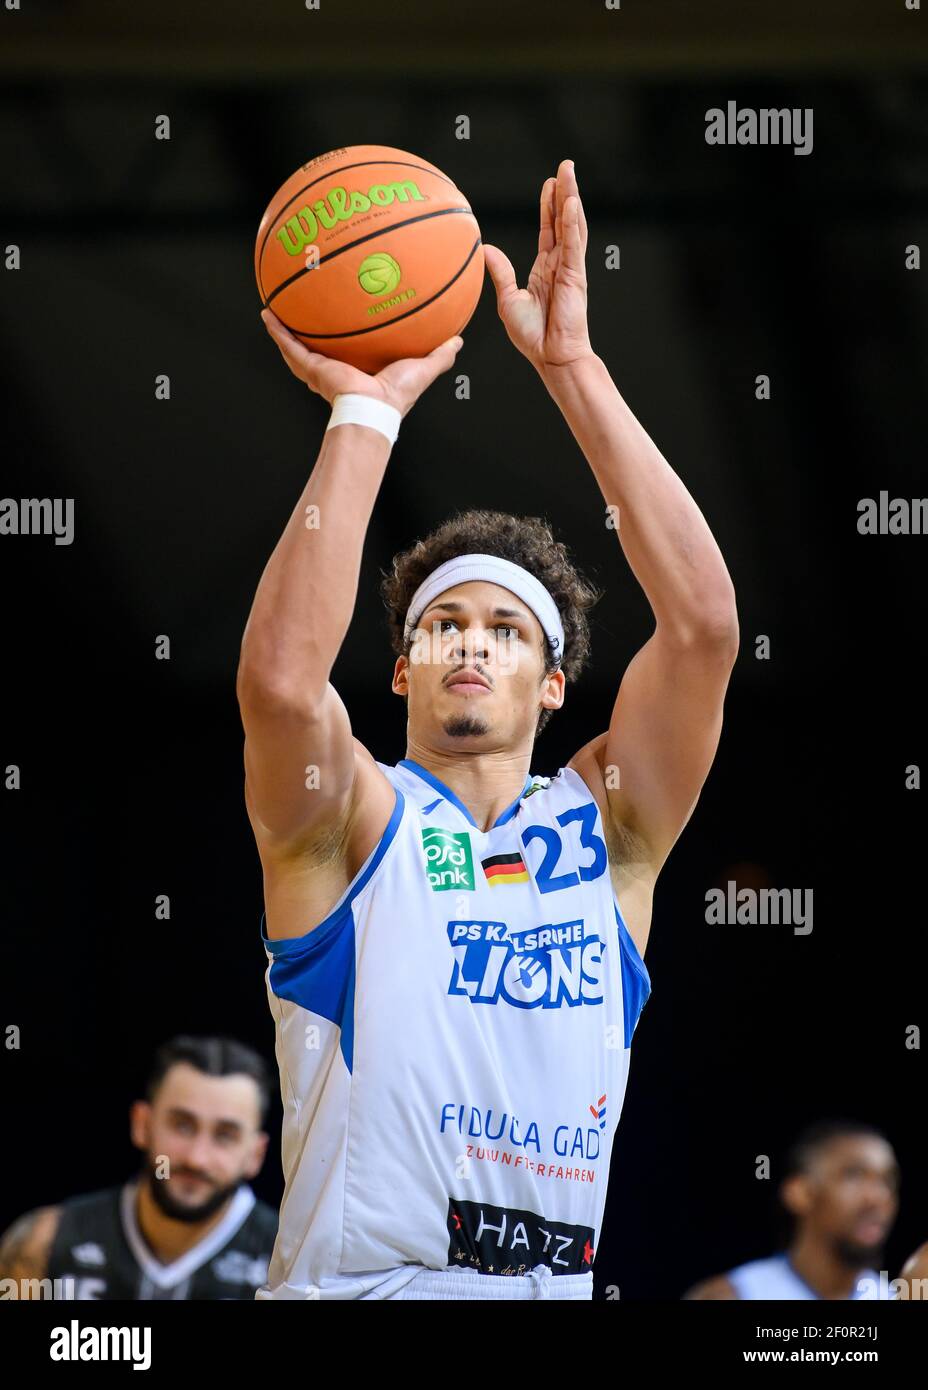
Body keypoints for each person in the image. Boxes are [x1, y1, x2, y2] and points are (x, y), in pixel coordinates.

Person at [240, 158, 738, 1300]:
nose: (472, 644)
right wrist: (365, 412)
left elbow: (704, 626)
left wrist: (571, 369)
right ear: (405, 667)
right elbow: (277, 688)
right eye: (445, 625)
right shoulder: (355, 822)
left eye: (507, 631)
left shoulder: (607, 829)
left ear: (554, 684)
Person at [0, 1035, 277, 1300]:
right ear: (142, 1124)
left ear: (256, 1153)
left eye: (225, 1136)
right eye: (182, 1125)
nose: (197, 1158)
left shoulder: (289, 1262)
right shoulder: (46, 1242)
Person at [683, 1120, 900, 1300]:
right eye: (853, 1175)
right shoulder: (731, 1295)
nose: (878, 1197)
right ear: (800, 1193)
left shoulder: (895, 1297)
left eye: (888, 1181)